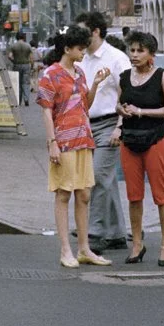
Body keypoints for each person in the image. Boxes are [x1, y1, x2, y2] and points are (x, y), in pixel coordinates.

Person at [37, 25, 113, 268]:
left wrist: (96, 85)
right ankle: (65, 249)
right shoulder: (50, 74)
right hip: (64, 140)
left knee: (84, 194)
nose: (83, 53)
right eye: (80, 49)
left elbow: (84, 106)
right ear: (67, 49)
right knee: (63, 194)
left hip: (83, 138)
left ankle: (83, 248)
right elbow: (47, 112)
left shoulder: (79, 73)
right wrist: (52, 143)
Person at [117, 31, 164, 266]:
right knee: (134, 196)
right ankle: (137, 244)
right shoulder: (124, 77)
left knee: (161, 196)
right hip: (130, 140)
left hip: (155, 140)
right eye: (131, 50)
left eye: (140, 50)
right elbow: (119, 103)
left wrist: (142, 112)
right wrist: (121, 111)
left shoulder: (161, 76)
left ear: (151, 54)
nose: (134, 55)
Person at [74, 10, 131, 252]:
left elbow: (127, 93)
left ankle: (95, 233)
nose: (78, 35)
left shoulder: (116, 58)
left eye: (82, 30)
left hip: (110, 123)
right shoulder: (82, 60)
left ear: (96, 31)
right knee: (105, 180)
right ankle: (117, 232)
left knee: (97, 177)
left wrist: (120, 126)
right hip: (87, 124)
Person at [8, 33, 34, 105]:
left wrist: (14, 61)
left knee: (18, 83)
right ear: (24, 37)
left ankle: (18, 100)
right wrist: (31, 66)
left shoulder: (13, 46)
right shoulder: (28, 45)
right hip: (26, 65)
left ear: (17, 37)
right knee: (25, 82)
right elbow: (32, 58)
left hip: (17, 65)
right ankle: (26, 99)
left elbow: (9, 56)